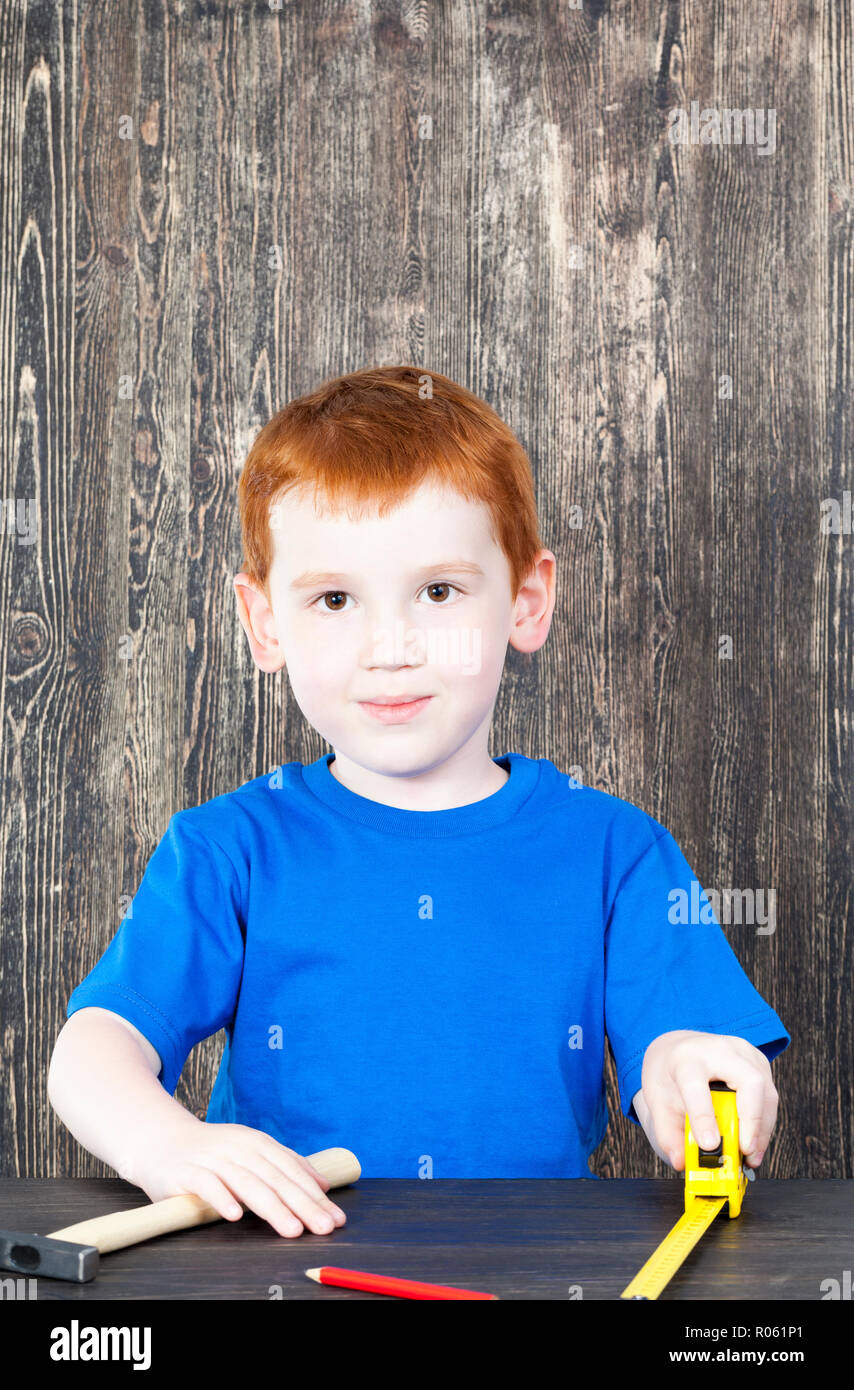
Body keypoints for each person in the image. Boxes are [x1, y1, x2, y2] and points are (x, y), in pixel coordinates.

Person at [48, 365, 788, 1239]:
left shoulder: (616, 852)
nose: (389, 648)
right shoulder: (228, 849)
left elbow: (683, 1040)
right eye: (334, 599)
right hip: (286, 1274)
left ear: (525, 600)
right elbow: (93, 1051)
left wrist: (698, 1065)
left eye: (438, 592)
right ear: (264, 623)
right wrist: (164, 1143)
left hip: (536, 1280)